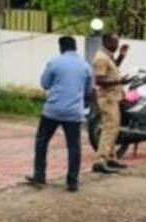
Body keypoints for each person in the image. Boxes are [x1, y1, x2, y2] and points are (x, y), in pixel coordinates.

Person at [26, 36, 92, 192]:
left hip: (53, 110)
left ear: (61, 47)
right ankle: (72, 181)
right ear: (75, 47)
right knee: (74, 146)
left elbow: (45, 84)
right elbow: (89, 90)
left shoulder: (54, 62)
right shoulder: (85, 66)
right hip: (74, 112)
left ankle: (40, 176)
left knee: (42, 141)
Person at [91, 32, 130, 174]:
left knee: (113, 128)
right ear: (106, 42)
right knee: (109, 128)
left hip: (113, 97)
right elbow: (99, 81)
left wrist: (122, 55)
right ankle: (100, 160)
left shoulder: (108, 56)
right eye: (115, 42)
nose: (117, 44)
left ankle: (111, 158)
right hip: (107, 98)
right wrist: (120, 81)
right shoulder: (101, 58)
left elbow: (113, 68)